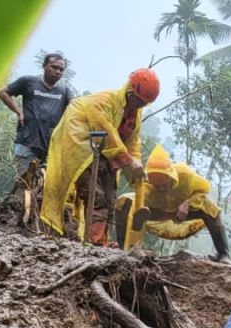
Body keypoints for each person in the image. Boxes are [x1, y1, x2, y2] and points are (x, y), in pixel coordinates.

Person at [41, 68, 160, 246]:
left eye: (145, 103)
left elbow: (133, 142)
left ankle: (102, 241)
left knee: (110, 200)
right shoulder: (105, 100)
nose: (140, 105)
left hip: (108, 152)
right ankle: (94, 242)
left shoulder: (135, 113)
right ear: (130, 91)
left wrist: (136, 169)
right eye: (139, 100)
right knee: (96, 197)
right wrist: (128, 160)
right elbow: (105, 130)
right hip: (81, 145)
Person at [115, 144, 231, 262]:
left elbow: (204, 190)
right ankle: (123, 249)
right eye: (157, 186)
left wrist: (188, 203)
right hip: (158, 213)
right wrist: (138, 214)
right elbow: (137, 202)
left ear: (171, 176)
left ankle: (224, 254)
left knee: (210, 208)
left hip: (183, 213)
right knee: (124, 200)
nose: (161, 188)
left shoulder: (186, 175)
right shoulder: (146, 185)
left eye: (164, 184)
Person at [0, 53, 74, 176]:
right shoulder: (28, 81)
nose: (58, 71)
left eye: (61, 69)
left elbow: (75, 106)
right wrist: (19, 112)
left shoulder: (64, 90)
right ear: (44, 66)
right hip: (27, 143)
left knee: (41, 187)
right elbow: (3, 93)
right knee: (23, 183)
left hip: (49, 147)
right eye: (54, 67)